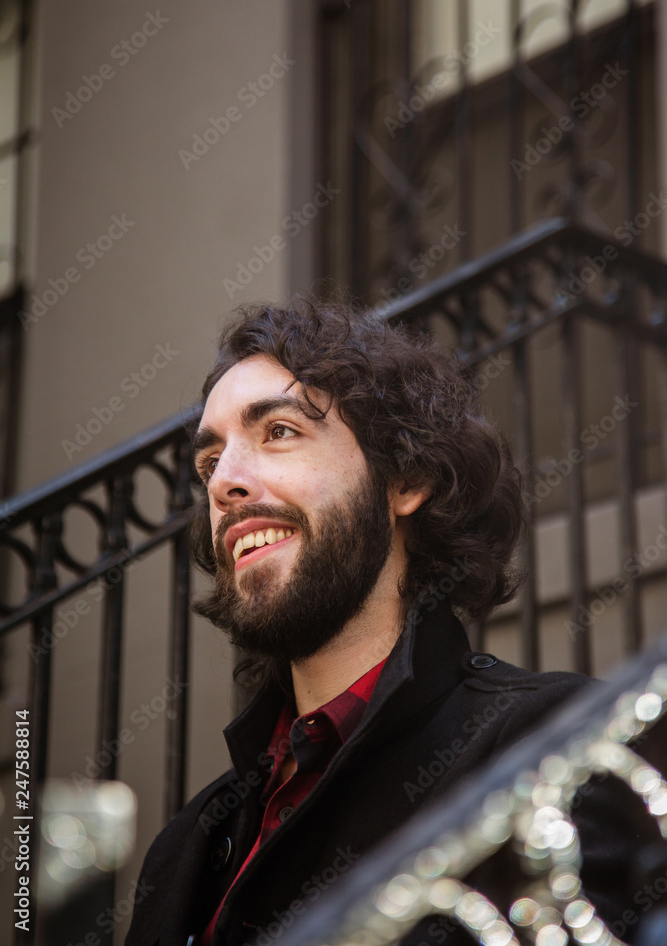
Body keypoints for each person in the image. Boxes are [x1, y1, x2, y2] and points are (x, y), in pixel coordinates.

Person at [125, 297, 648, 946]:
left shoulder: (550, 748)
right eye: (208, 462)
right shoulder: (181, 850)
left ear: (405, 479)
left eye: (279, 431)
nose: (223, 481)